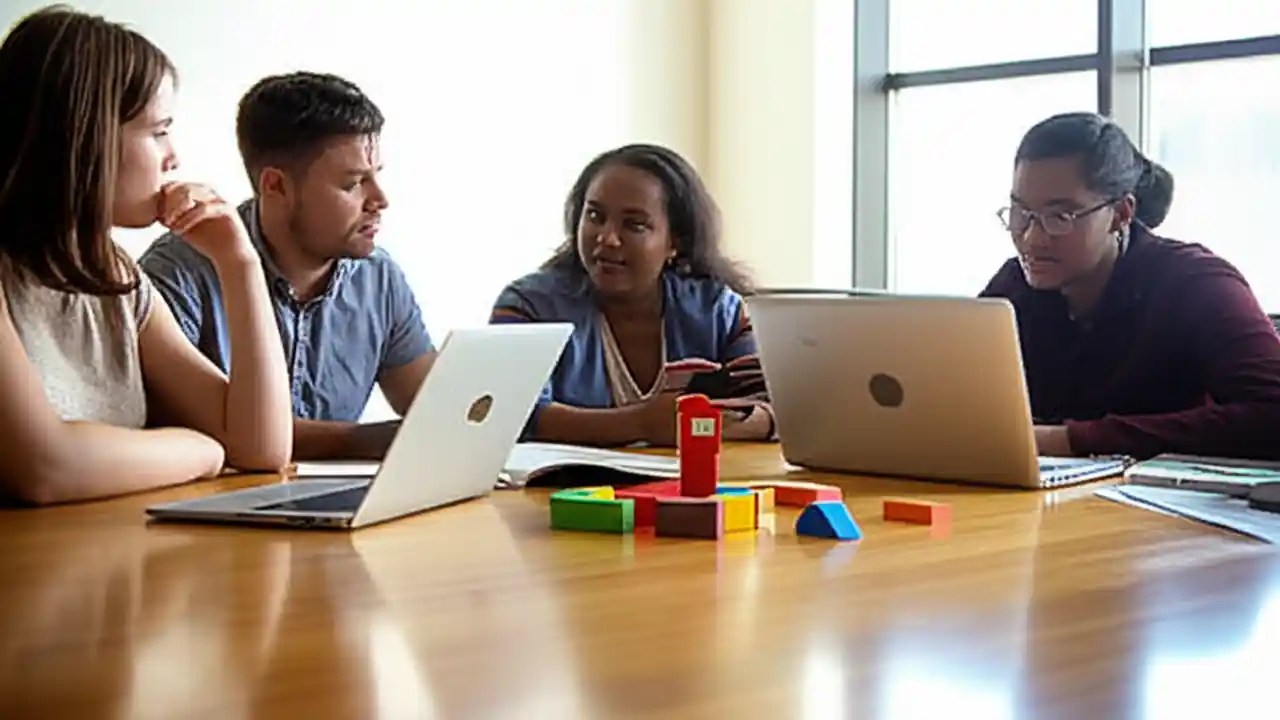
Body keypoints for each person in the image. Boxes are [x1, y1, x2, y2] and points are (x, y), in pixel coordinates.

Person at [0, 7, 292, 505]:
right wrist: (201, 452)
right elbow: (46, 466)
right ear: (84, 135)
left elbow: (261, 447)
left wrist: (239, 265)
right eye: (159, 131)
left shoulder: (114, 276)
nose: (173, 156)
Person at [139, 72, 434, 461]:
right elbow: (212, 429)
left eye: (376, 176)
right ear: (275, 186)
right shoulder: (179, 272)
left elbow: (434, 406)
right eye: (353, 184)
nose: (380, 199)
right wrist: (367, 441)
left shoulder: (379, 278)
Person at [982, 111, 1280, 460]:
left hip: (1161, 508)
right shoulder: (1014, 286)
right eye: (1021, 214)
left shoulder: (1195, 283)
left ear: (1121, 214)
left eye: (1060, 217)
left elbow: (1272, 413)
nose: (1032, 239)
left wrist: (1072, 440)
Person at [490, 143, 772, 447]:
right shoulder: (527, 307)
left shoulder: (720, 311)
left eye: (635, 225)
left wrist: (700, 424)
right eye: (595, 215)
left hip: (691, 489)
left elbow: (773, 408)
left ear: (675, 241)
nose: (607, 238)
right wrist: (643, 423)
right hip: (561, 492)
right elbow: (513, 417)